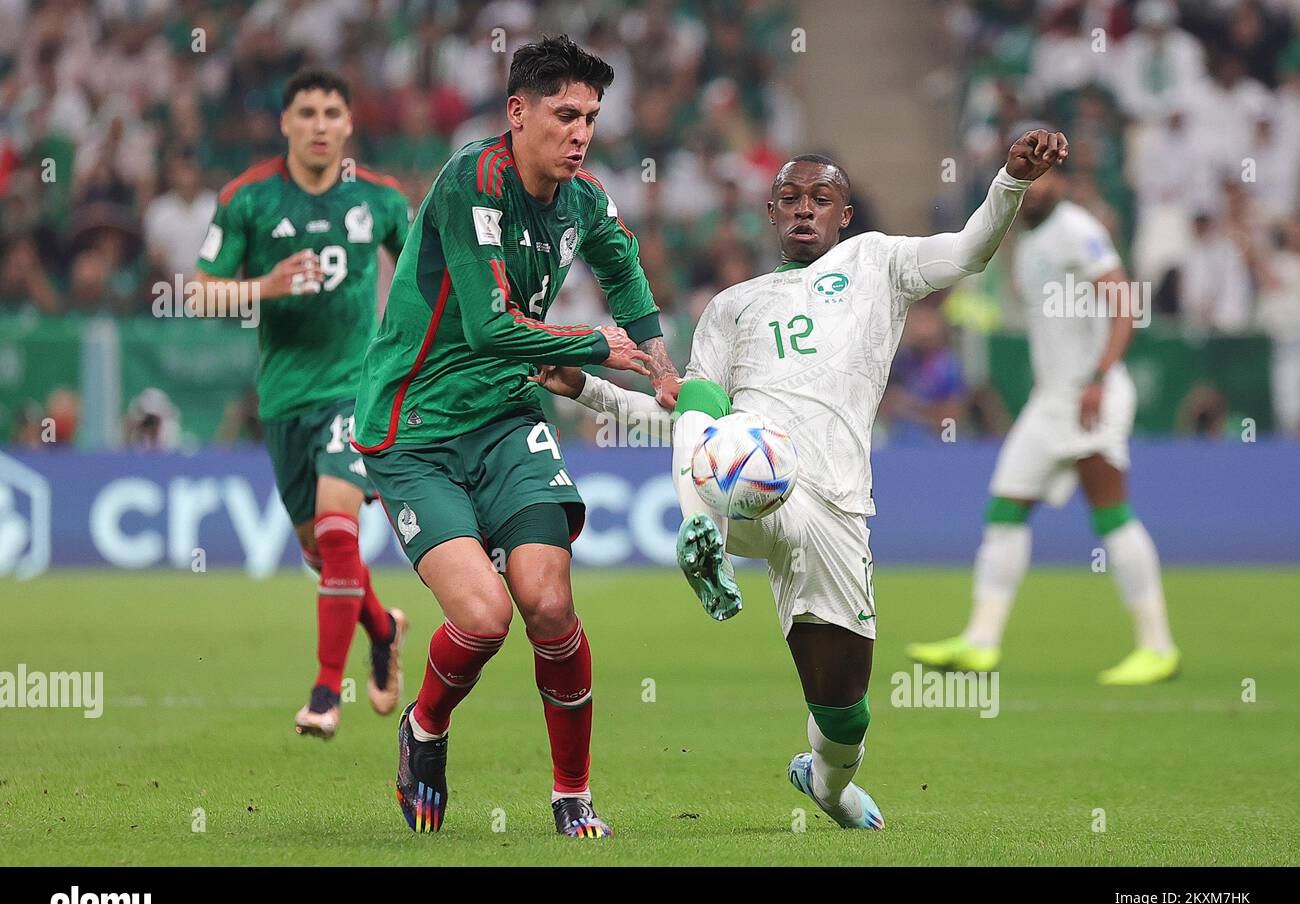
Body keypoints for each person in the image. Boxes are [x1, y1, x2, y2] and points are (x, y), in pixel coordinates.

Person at [534, 130, 1069, 829]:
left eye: (821, 198)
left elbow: (969, 249)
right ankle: (700, 527)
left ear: (846, 213)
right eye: (788, 198)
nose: (804, 210)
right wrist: (592, 390)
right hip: (755, 482)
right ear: (771, 214)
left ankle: (826, 783)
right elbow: (692, 419)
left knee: (845, 717)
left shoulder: (880, 263)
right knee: (704, 403)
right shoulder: (731, 306)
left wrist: (1010, 179)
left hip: (838, 505)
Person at [351, 36, 677, 838]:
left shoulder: (585, 199)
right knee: (485, 617)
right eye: (565, 114)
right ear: (517, 111)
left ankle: (572, 794)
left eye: (591, 118)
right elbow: (491, 325)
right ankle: (424, 728)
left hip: (505, 421)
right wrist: (598, 347)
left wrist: (663, 369)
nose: (580, 133)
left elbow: (624, 268)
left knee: (549, 603)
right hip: (415, 428)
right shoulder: (474, 181)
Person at [193, 68, 412, 738]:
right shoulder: (248, 200)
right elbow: (201, 293)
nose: (319, 124)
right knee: (322, 551)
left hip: (358, 389)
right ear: (285, 122)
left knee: (339, 527)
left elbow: (423, 279)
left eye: (332, 113)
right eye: (307, 113)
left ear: (349, 125)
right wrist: (266, 286)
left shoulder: (379, 200)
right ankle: (383, 627)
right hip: (285, 401)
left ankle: (324, 692)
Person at [906, 170, 1181, 686]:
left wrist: (1099, 377)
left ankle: (1157, 646)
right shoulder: (1028, 238)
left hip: (1088, 397)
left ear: (1059, 181)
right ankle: (981, 641)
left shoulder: (1079, 229)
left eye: (1038, 180)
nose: (1029, 191)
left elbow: (1124, 305)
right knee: (1005, 508)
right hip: (1050, 401)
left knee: (1111, 514)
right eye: (1021, 181)